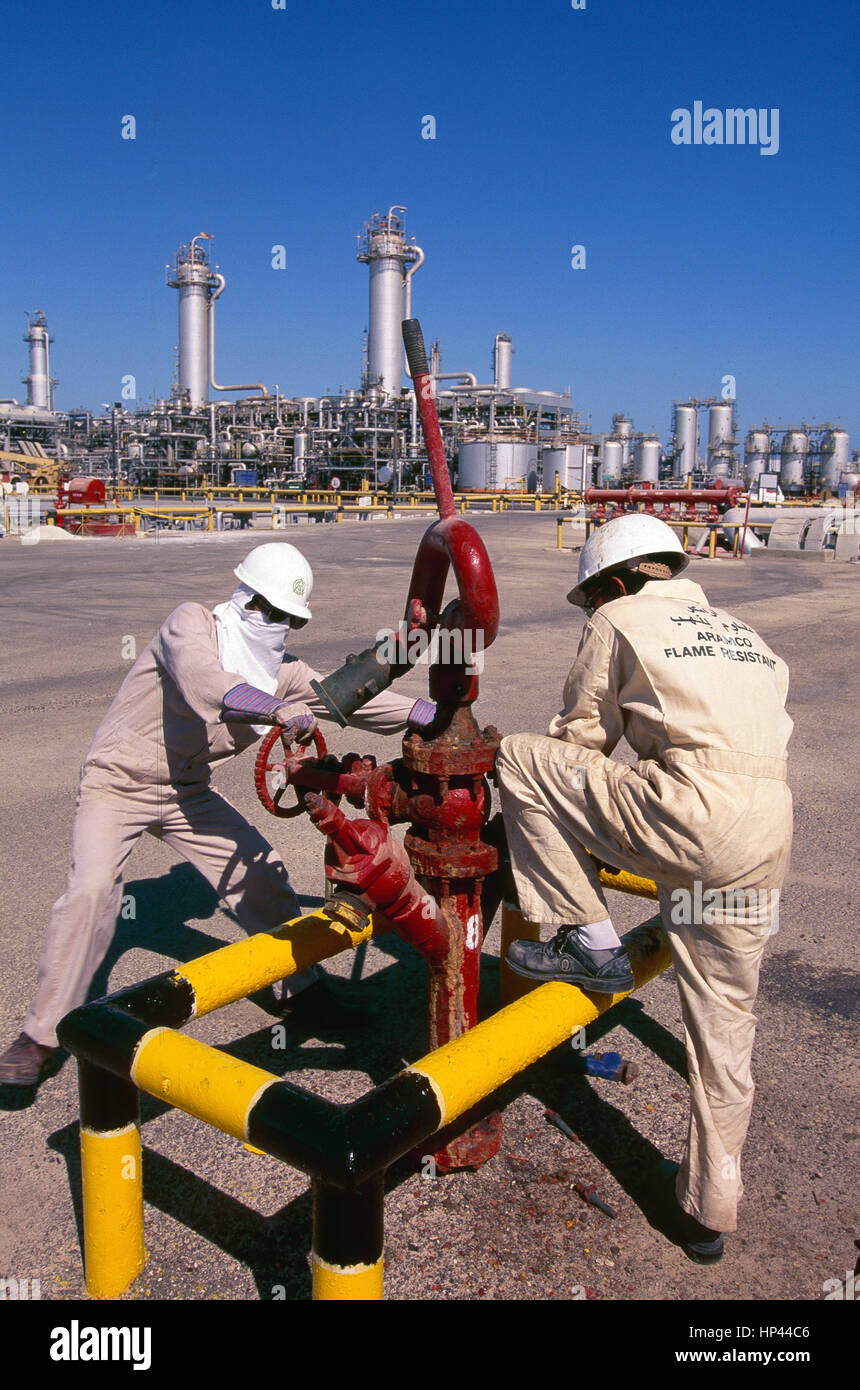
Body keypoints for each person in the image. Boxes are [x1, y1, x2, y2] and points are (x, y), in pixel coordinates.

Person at [0, 542, 433, 1086]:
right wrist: (275, 708)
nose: (274, 624)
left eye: (288, 619)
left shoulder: (281, 671)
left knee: (263, 872)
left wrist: (433, 716)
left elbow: (346, 702)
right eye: (269, 610)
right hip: (118, 782)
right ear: (246, 598)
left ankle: (300, 993)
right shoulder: (192, 625)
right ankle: (40, 1036)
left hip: (187, 792)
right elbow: (205, 681)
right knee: (91, 893)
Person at [495, 513, 793, 1264]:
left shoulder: (620, 618)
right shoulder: (748, 638)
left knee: (524, 761)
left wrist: (555, 846)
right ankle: (706, 1210)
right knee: (726, 1024)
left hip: (688, 814)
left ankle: (587, 941)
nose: (594, 609)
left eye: (594, 596)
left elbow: (579, 741)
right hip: (766, 830)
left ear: (617, 581)